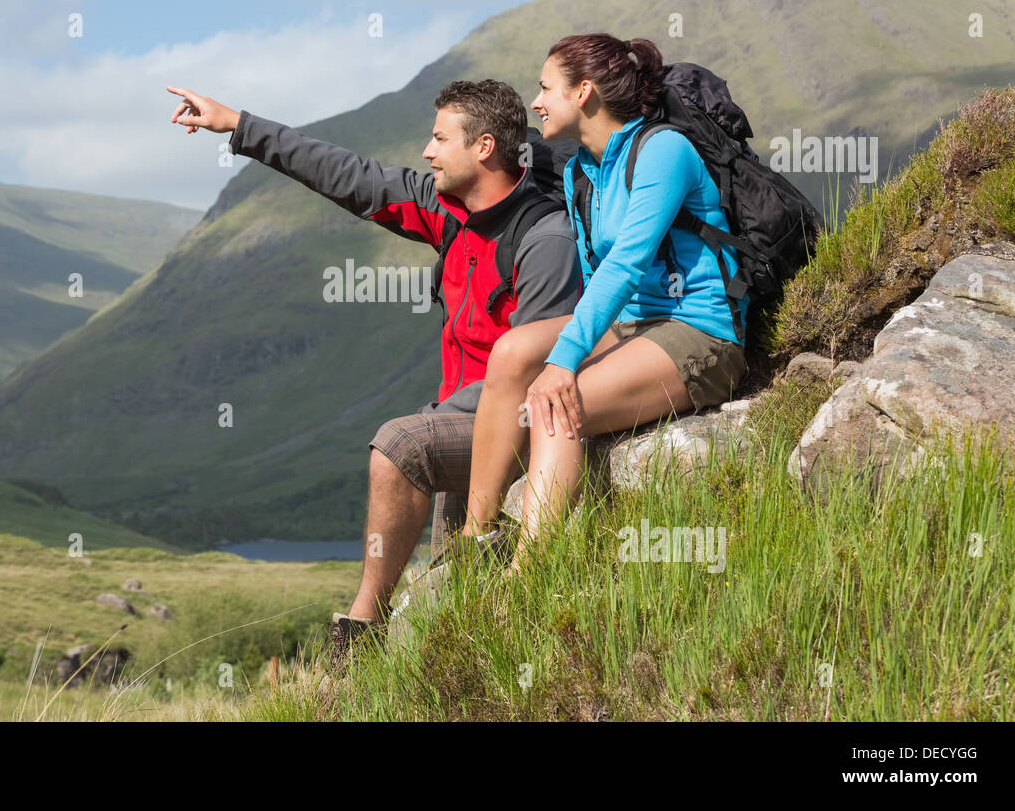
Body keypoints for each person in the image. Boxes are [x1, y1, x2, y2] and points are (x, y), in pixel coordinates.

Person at [166, 79, 582, 662]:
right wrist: (238, 125)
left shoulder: (546, 241)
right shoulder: (450, 213)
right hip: (461, 428)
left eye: (440, 138)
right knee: (462, 613)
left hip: (509, 432)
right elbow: (348, 176)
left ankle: (361, 634)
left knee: (400, 445)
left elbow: (537, 377)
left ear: (484, 147)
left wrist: (440, 419)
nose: (427, 151)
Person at [452, 34, 750, 563]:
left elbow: (626, 264)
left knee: (553, 407)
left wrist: (564, 361)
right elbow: (594, 278)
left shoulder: (663, 151)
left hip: (700, 328)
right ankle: (477, 541)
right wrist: (557, 353)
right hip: (635, 327)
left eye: (546, 88)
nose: (536, 103)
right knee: (512, 352)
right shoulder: (578, 172)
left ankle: (528, 577)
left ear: (583, 91)